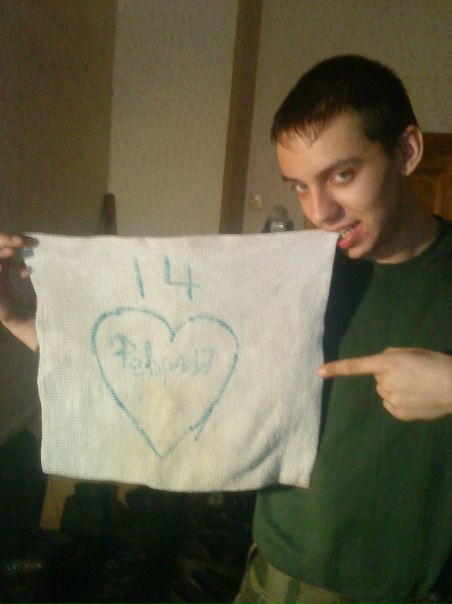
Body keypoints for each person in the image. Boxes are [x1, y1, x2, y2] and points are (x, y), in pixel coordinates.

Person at [1, 55, 451, 603]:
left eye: (342, 175)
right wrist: (20, 317)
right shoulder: (287, 276)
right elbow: (154, 372)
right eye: (300, 186)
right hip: (277, 577)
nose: (320, 212)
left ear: (407, 151)